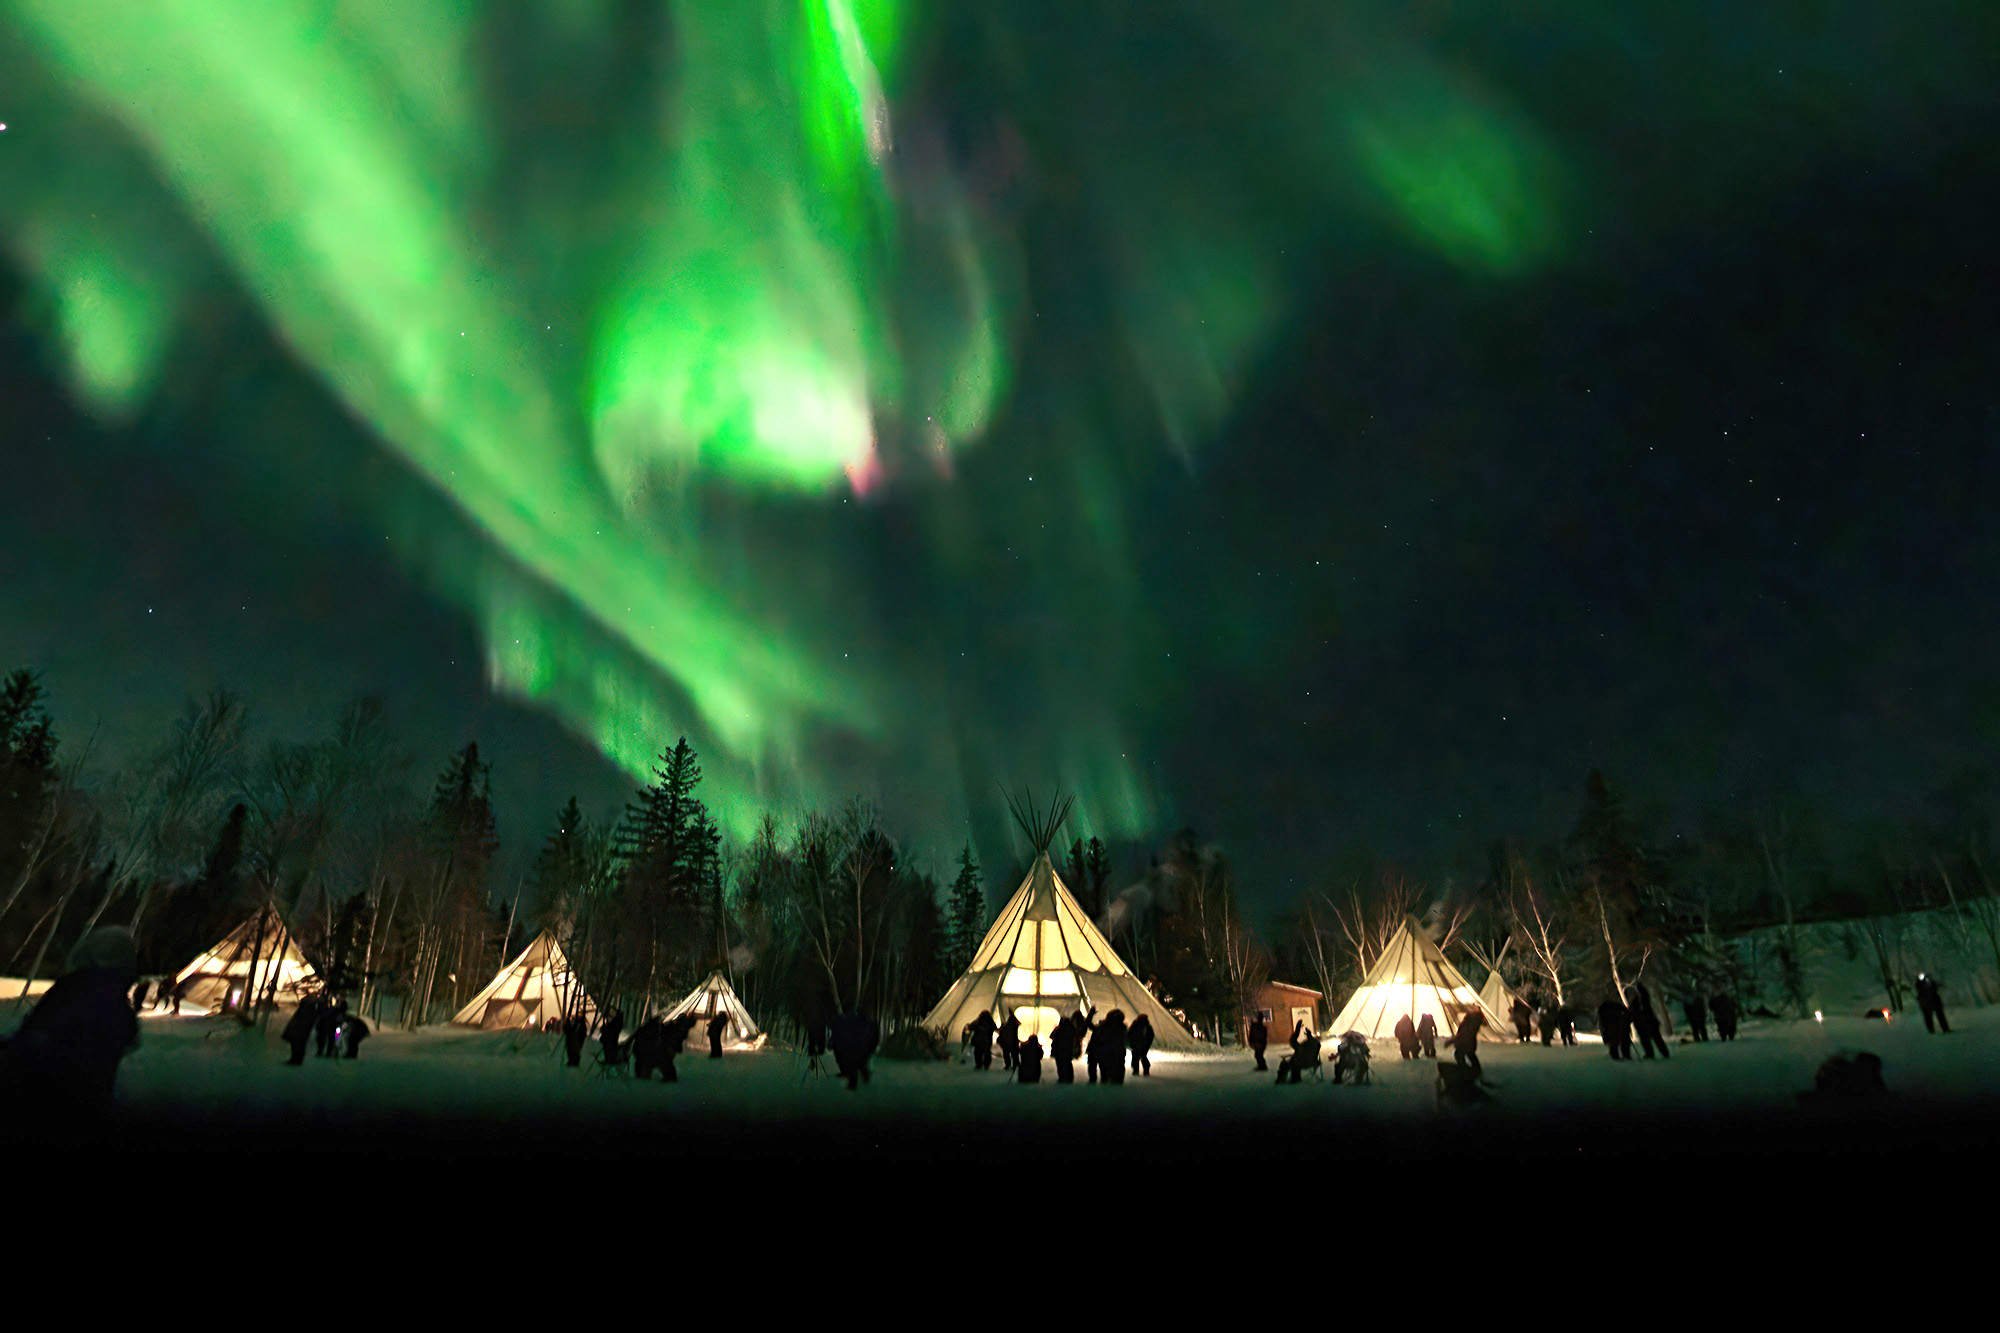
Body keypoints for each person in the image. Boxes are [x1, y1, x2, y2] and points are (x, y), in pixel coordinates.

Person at [1, 926, 142, 1118]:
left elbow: (35, 1033)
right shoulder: (105, 994)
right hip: (63, 1097)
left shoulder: (75, 987)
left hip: (49, 1097)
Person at [828, 1009, 878, 1090]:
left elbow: (872, 1037)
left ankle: (857, 1081)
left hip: (859, 1046)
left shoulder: (862, 1023)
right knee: (858, 1063)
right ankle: (860, 1078)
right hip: (860, 1046)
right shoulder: (864, 1023)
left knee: (857, 1064)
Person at [1628, 984, 1669, 1059]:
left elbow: (1644, 999)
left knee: (1654, 1038)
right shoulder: (1636, 1001)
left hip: (1647, 1021)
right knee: (1648, 1039)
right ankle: (1653, 1053)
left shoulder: (1641, 1000)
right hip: (1644, 1022)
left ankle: (1662, 1052)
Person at [282, 994, 321, 1066]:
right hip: (302, 1029)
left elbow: (301, 1018)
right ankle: (296, 1060)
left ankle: (295, 1060)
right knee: (299, 1044)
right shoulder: (312, 1007)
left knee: (297, 1044)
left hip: (300, 1028)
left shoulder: (307, 1007)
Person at [1276, 1019, 1320, 1084]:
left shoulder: (1302, 1046)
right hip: (1313, 1062)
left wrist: (1297, 1030)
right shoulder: (1316, 1044)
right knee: (1295, 1061)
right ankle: (1296, 1078)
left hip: (1301, 1063)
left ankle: (1285, 1079)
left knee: (1285, 1064)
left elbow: (1292, 1041)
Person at [1090, 1009, 1128, 1085]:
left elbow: (1091, 1026)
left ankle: (1108, 1086)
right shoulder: (1122, 1028)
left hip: (1106, 1053)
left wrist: (1091, 1015)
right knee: (1116, 1075)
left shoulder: (1103, 1027)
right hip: (1115, 1054)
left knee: (1106, 1075)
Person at [1450, 1011, 1484, 1077]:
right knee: (1469, 1055)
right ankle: (1474, 1071)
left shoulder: (1469, 1024)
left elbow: (1462, 1033)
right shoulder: (1473, 1024)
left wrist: (1452, 1041)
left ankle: (1466, 1071)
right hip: (1469, 1043)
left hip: (1465, 1043)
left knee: (1459, 1055)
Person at [631, 1015, 665, 1080]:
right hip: (644, 1052)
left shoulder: (645, 1029)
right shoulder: (653, 1030)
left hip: (640, 1051)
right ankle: (644, 1075)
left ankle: (642, 1075)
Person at [1598, 995, 1630, 1060]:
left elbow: (1601, 1019)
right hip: (1617, 1025)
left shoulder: (1603, 1007)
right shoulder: (1616, 1005)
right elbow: (1627, 1013)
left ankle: (1616, 1056)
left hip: (1612, 1026)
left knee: (1614, 1041)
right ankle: (1624, 1055)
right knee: (1621, 1040)